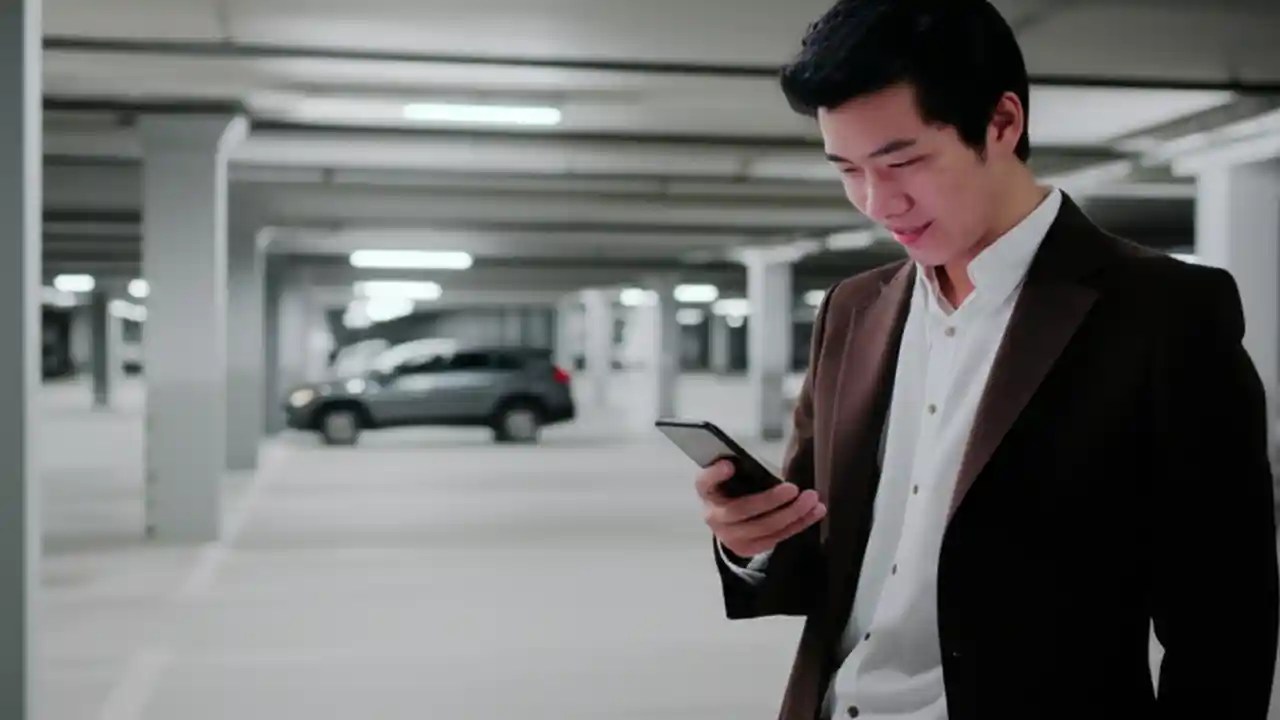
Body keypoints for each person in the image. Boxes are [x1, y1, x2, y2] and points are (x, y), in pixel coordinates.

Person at [692, 1, 1280, 718]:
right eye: (847, 169)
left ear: (1002, 124)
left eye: (902, 161)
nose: (877, 202)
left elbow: (1224, 615)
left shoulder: (1162, 312)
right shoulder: (852, 309)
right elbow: (816, 556)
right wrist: (750, 542)